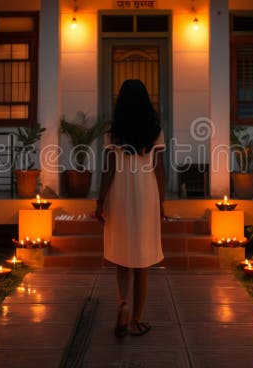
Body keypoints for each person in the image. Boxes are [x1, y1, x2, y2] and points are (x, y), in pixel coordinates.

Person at [95, 79, 165, 338]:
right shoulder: (155, 129)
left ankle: (123, 302)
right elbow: (159, 168)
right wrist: (162, 203)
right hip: (147, 193)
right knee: (142, 260)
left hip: (120, 195)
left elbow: (108, 170)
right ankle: (136, 319)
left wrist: (100, 202)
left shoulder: (113, 132)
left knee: (123, 258)